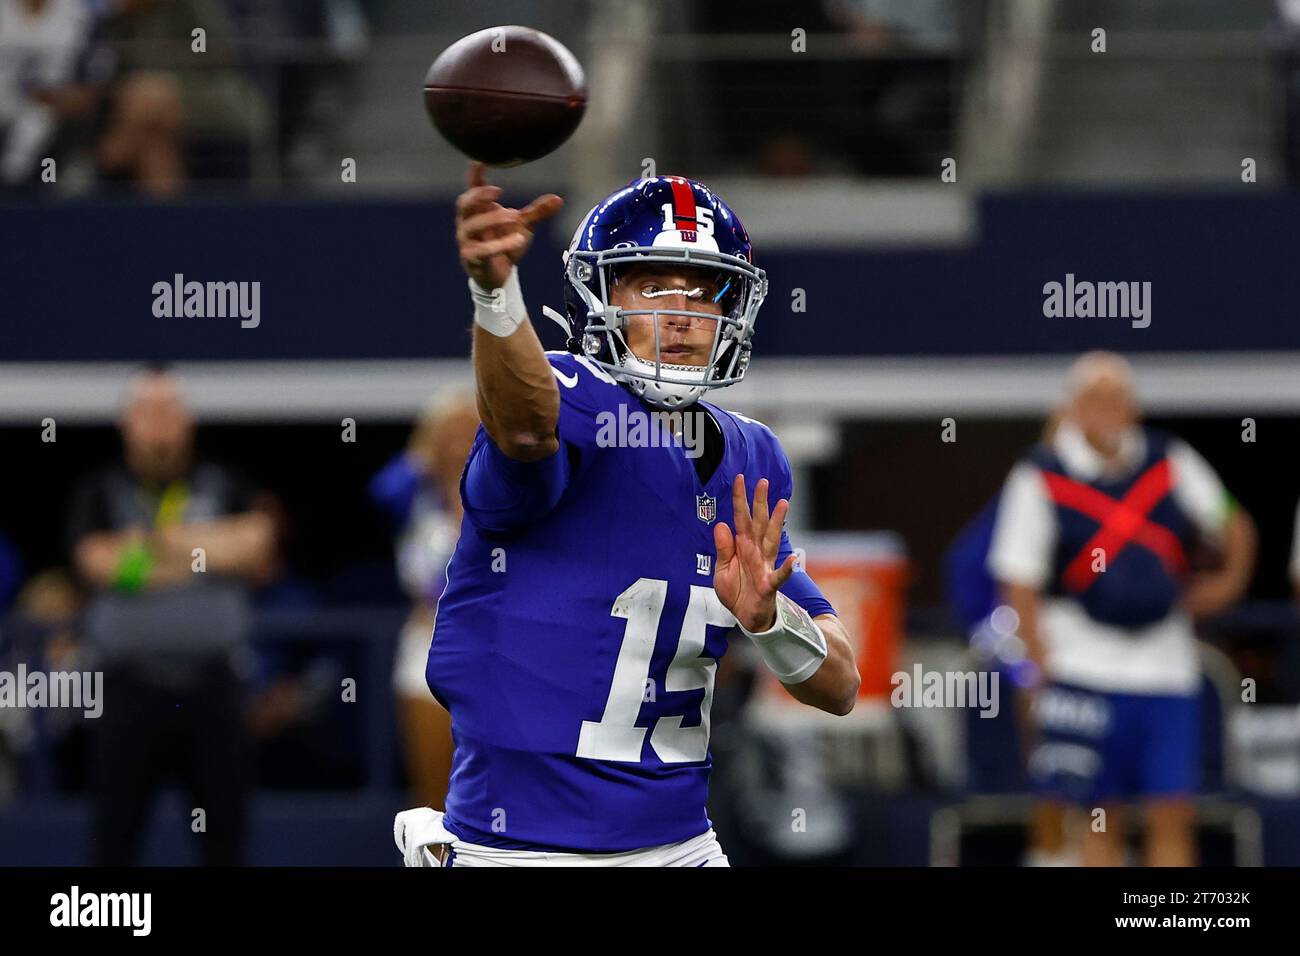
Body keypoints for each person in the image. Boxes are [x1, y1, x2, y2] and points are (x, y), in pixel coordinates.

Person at [393, 164, 859, 868]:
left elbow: (841, 685)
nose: (682, 314)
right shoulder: (575, 402)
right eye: (654, 288)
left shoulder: (751, 454)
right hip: (519, 849)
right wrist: (495, 295)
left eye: (704, 294)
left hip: (681, 845)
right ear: (600, 297)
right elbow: (523, 426)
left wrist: (769, 622)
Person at [987, 351, 1256, 867]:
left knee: (1173, 815)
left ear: (1134, 407)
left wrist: (1228, 583)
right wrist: (1038, 672)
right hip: (1083, 670)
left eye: (1119, 398)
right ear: (1073, 408)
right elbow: (1018, 582)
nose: (1109, 409)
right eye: (1096, 398)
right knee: (1094, 816)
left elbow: (1231, 519)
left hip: (1165, 670)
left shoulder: (1170, 460)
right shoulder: (1040, 476)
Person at [68, 365, 276, 865]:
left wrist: (147, 546)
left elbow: (256, 546)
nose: (160, 422)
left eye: (170, 409)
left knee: (225, 839)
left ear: (188, 421)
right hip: (127, 690)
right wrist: (205, 553)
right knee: (114, 840)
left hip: (213, 690)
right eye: (149, 410)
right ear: (128, 422)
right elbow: (100, 565)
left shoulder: (225, 482)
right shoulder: (99, 491)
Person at [370, 392, 479, 811]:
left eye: (468, 434)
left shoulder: (504, 498)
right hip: (427, 644)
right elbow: (381, 488)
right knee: (435, 796)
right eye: (447, 435)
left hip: (495, 645)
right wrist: (425, 454)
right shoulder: (416, 500)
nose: (457, 445)